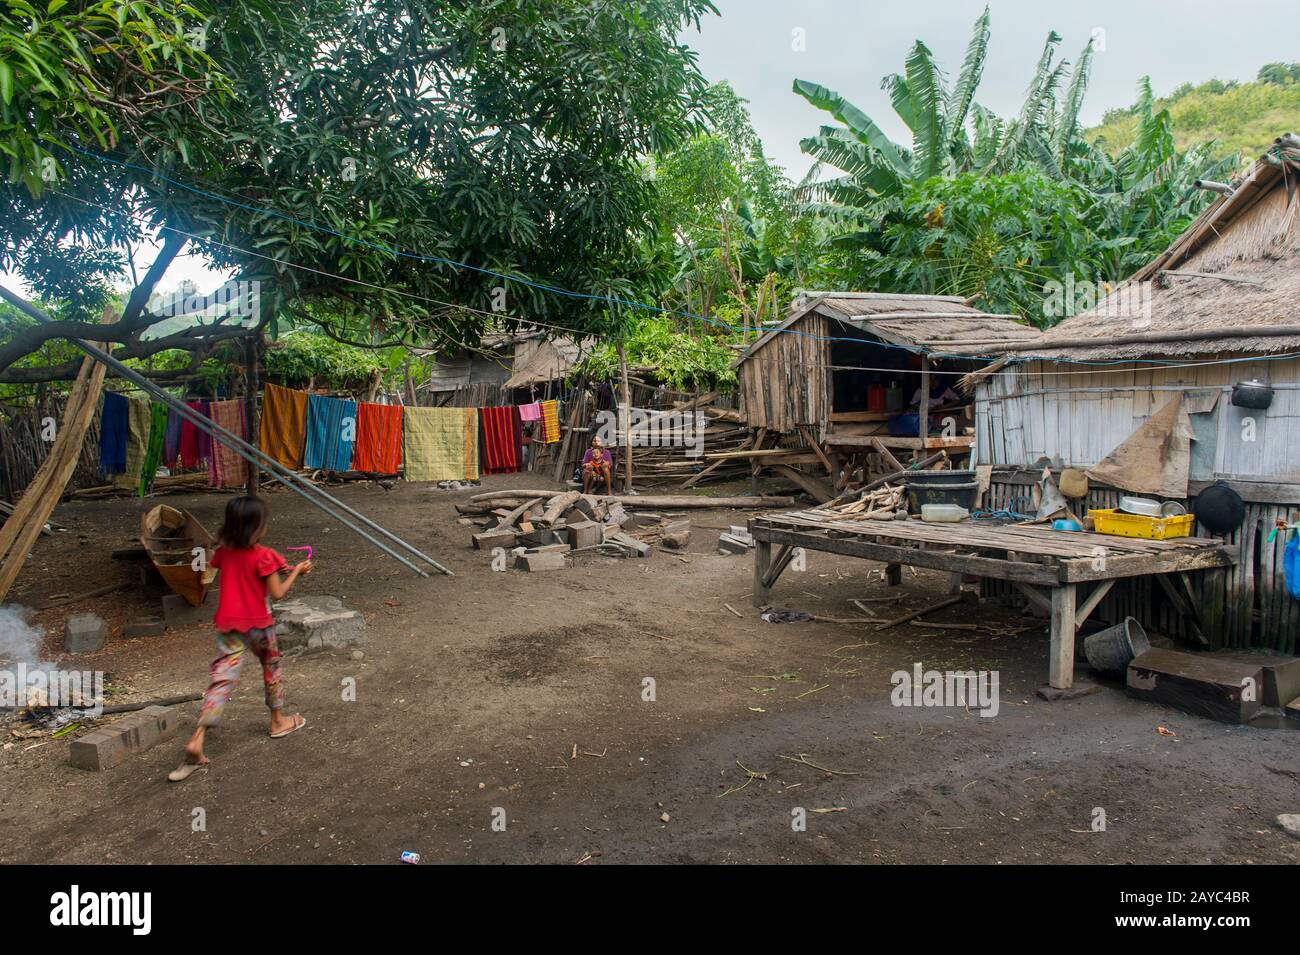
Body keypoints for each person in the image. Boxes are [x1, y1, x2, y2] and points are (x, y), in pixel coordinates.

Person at [168, 496, 311, 782]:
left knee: (222, 679)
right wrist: (296, 571)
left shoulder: (224, 552)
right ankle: (277, 721)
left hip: (229, 626)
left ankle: (197, 737)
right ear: (256, 527)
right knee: (271, 669)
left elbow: (238, 569)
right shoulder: (266, 556)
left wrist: (275, 569)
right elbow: (277, 594)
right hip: (259, 626)